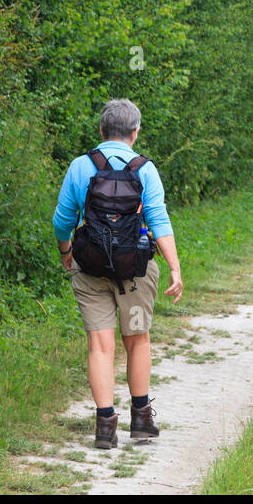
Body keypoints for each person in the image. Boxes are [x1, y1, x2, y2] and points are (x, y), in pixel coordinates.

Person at [52, 98, 184, 449]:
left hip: (90, 266)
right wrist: (174, 266)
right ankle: (141, 420)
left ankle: (104, 428)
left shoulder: (82, 166)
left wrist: (66, 253)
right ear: (135, 133)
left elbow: (62, 221)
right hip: (136, 269)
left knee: (100, 344)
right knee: (137, 339)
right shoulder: (145, 168)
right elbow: (158, 220)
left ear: (101, 130)